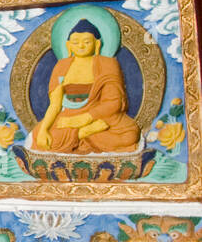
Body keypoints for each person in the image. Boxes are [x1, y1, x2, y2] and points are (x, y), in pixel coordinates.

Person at [32, 19, 140, 153]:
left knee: (130, 135)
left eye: (87, 42)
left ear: (97, 44)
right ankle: (82, 134)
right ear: (68, 45)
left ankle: (81, 136)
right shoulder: (62, 66)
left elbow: (114, 103)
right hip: (69, 117)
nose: (81, 46)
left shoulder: (107, 64)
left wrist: (85, 118)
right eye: (75, 42)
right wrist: (44, 129)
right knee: (38, 136)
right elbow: (55, 105)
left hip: (100, 116)